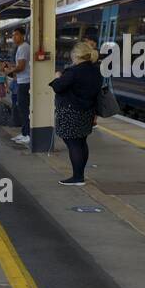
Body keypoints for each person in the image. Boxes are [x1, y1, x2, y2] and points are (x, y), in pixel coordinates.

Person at [49, 40, 103, 185]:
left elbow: (58, 87)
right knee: (81, 142)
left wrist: (57, 77)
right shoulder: (96, 70)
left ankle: (77, 177)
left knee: (73, 143)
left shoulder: (74, 71)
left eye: (72, 55)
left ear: (76, 55)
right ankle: (80, 174)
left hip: (71, 112)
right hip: (87, 112)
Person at [0, 27, 32, 145]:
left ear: (23, 35)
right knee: (21, 108)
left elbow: (21, 67)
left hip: (25, 82)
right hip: (22, 81)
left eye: (16, 35)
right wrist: (10, 65)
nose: (14, 37)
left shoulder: (23, 47)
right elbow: (19, 65)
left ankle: (27, 134)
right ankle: (24, 132)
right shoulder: (21, 47)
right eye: (13, 35)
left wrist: (9, 71)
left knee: (24, 108)